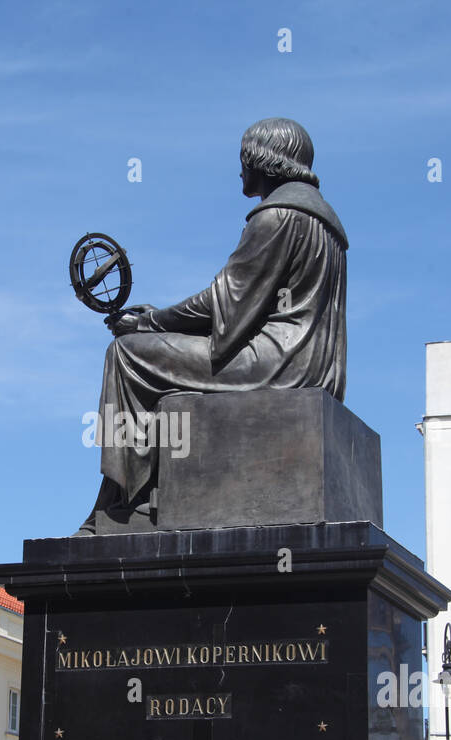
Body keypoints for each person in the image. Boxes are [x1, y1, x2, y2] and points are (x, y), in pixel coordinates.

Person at [78, 117, 348, 534]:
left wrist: (147, 323)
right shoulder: (324, 223)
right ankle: (139, 493)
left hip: (275, 362)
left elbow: (224, 300)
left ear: (266, 161)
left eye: (245, 158)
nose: (240, 169)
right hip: (310, 363)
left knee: (127, 355)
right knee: (151, 350)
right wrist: (162, 324)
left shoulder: (276, 216)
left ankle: (122, 502)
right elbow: (242, 308)